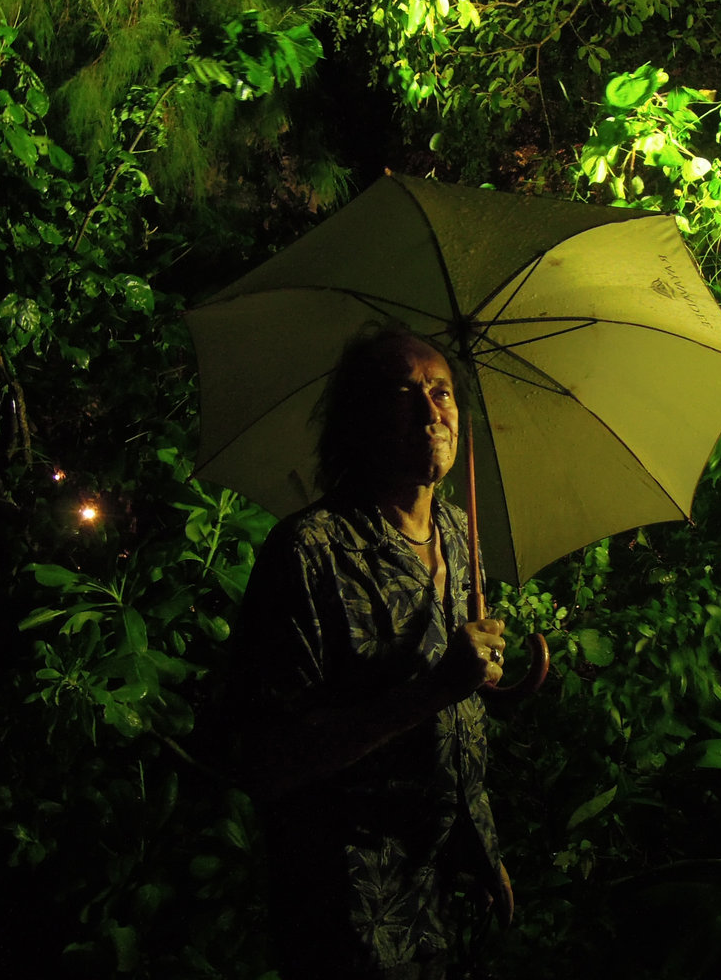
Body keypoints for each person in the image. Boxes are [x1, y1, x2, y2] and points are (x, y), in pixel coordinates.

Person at [237, 326, 512, 980]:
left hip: (444, 888)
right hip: (349, 900)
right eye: (403, 395)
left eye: (442, 393)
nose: (430, 412)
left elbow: (458, 718)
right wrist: (433, 689)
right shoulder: (309, 552)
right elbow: (268, 757)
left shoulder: (457, 532)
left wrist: (484, 845)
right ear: (360, 420)